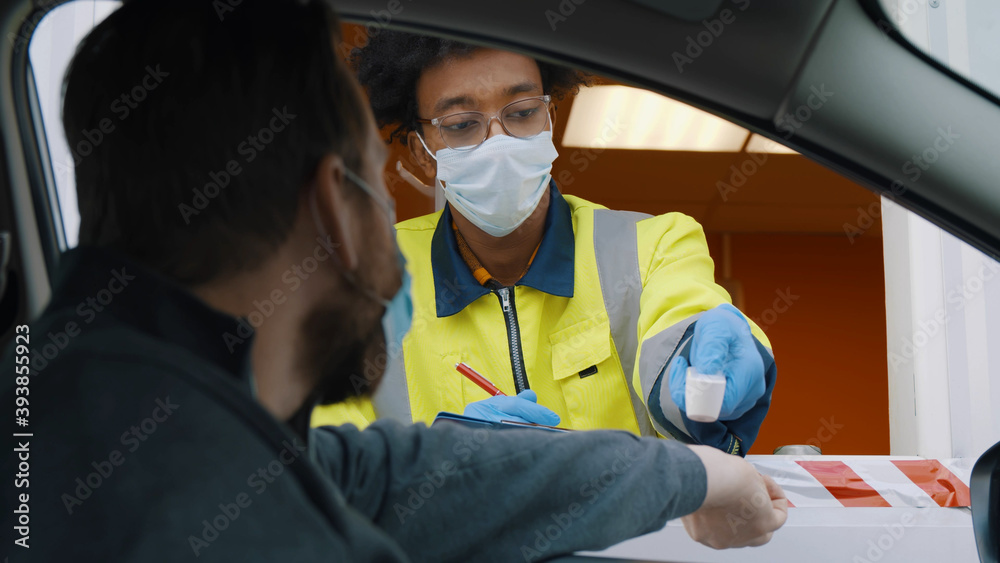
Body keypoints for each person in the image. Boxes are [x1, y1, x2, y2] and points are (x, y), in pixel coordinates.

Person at [0, 1, 787, 561]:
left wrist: (699, 455)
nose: (500, 141)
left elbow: (384, 476)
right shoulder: (220, 508)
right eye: (377, 172)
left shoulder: (94, 397)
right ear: (341, 204)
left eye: (523, 112)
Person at [312, 32, 778, 455]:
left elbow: (685, 322)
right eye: (460, 125)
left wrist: (707, 369)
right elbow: (323, 448)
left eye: (521, 114)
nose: (498, 142)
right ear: (422, 152)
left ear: (549, 120)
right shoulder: (363, 276)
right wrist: (435, 456)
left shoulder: (651, 246)